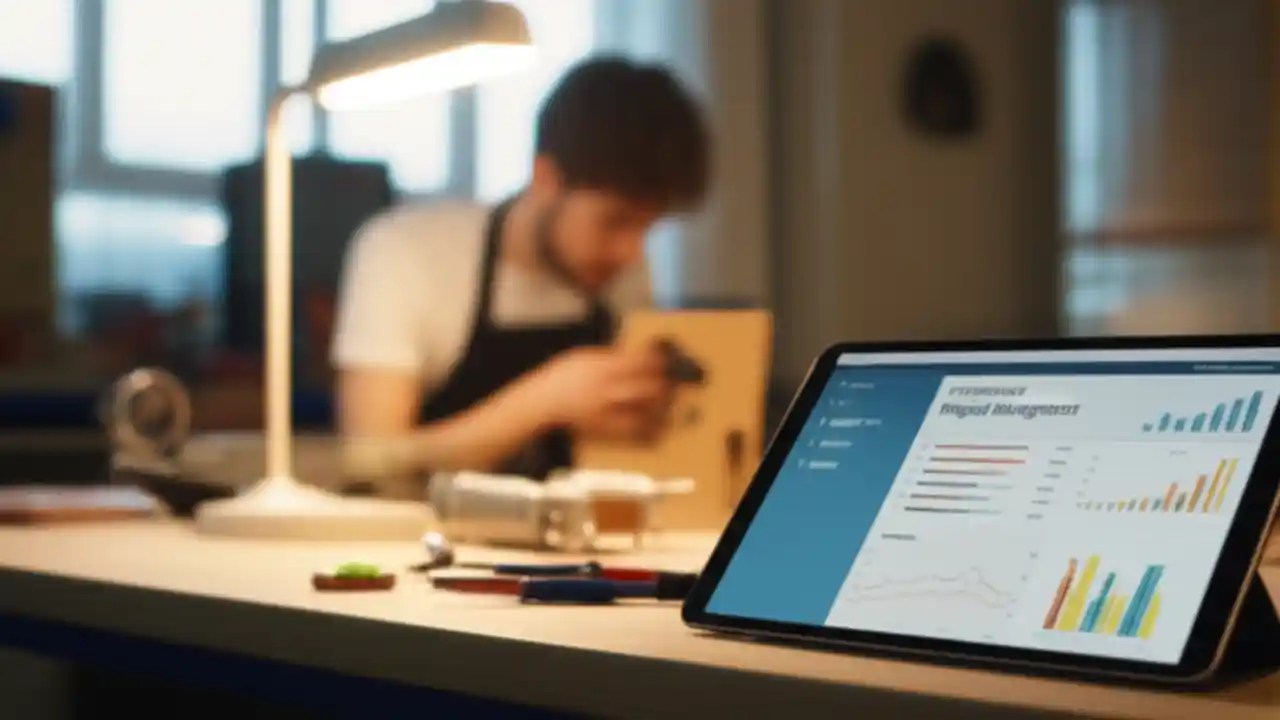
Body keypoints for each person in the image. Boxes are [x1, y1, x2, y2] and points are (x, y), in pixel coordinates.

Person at [331, 57, 710, 483]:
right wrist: (544, 402)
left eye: (647, 226)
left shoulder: (622, 273)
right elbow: (367, 459)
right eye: (616, 221)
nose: (631, 251)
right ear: (546, 178)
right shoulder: (405, 252)